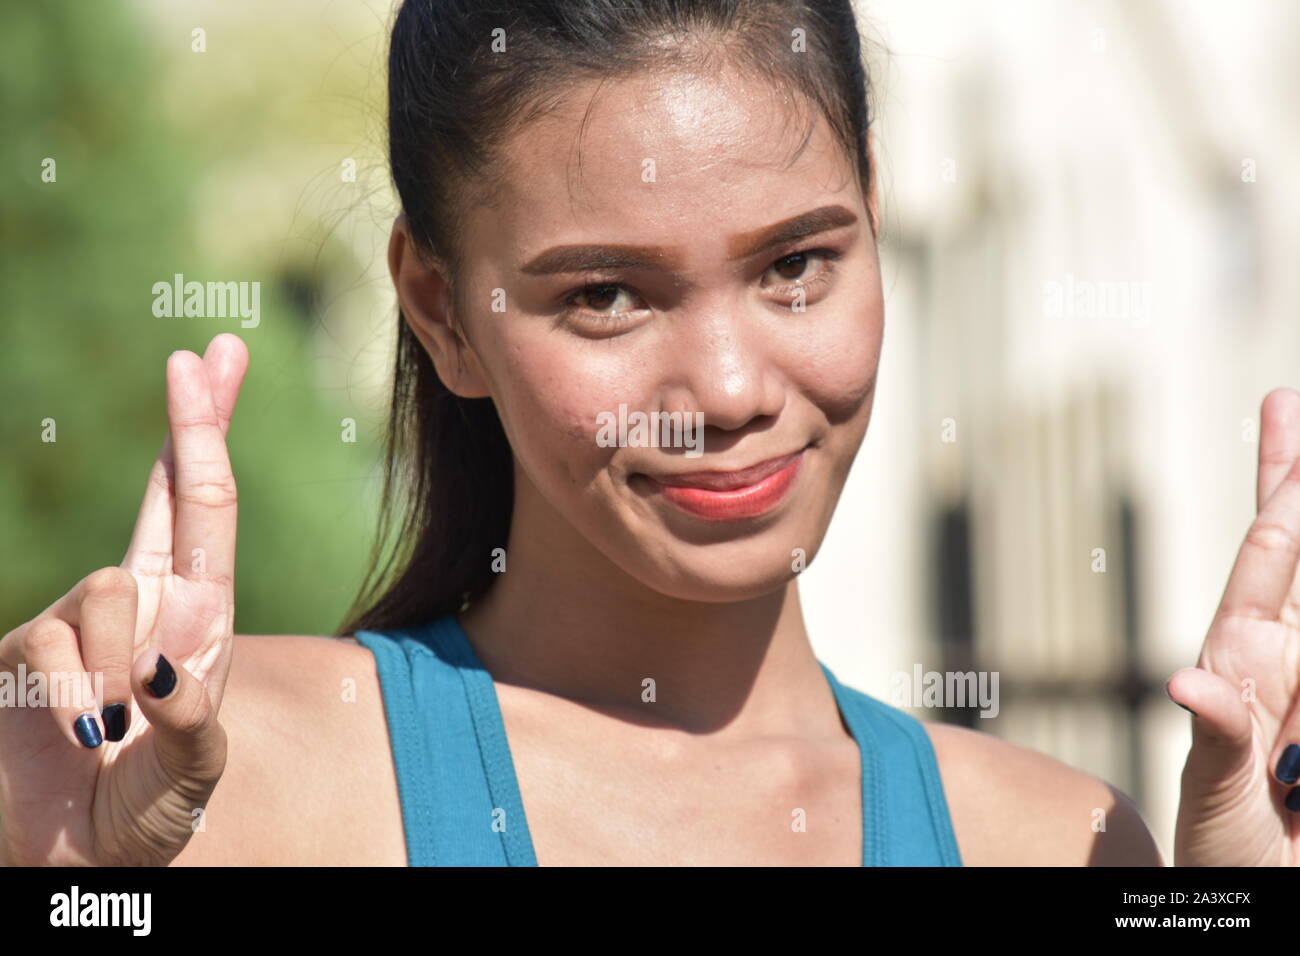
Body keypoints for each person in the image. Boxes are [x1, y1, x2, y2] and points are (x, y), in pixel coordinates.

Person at [2, 0, 1296, 867]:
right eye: (606, 295)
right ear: (443, 314)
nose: (729, 387)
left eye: (797, 263)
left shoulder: (1063, 842)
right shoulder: (235, 782)